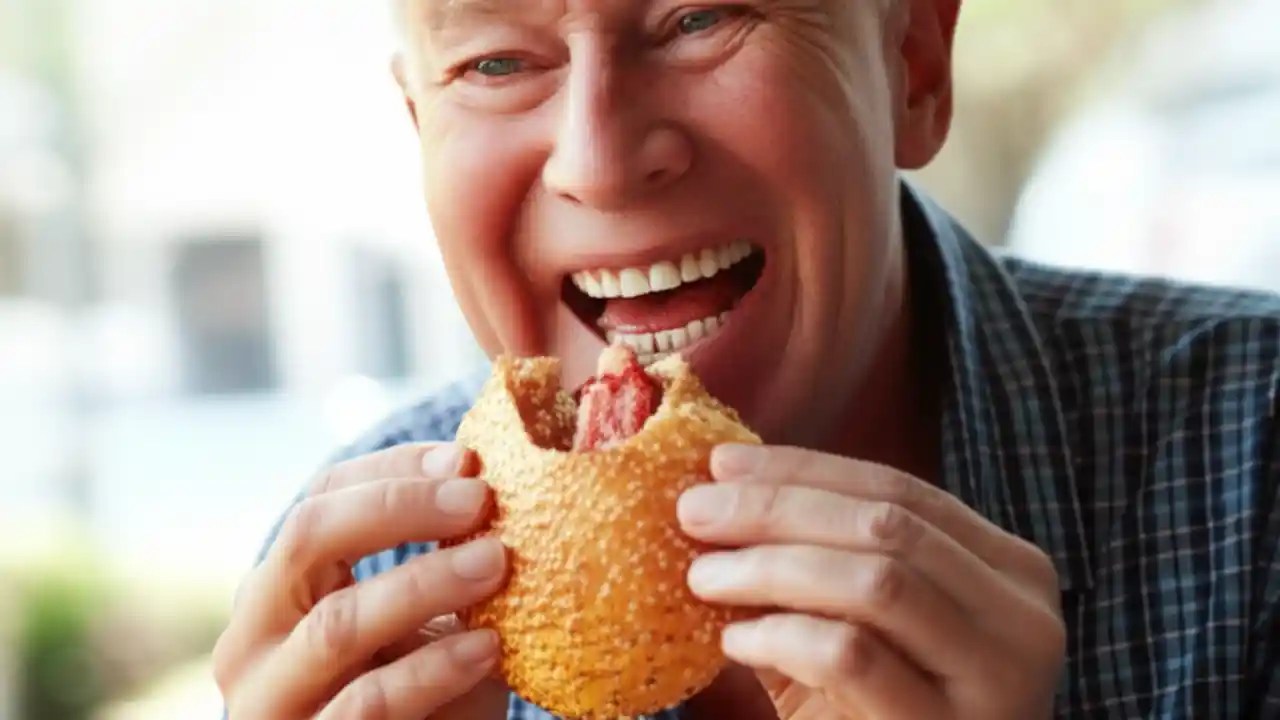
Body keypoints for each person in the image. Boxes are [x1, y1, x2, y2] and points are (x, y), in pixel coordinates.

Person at [212, 1, 1280, 718]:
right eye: (495, 62)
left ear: (912, 63)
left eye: (702, 17)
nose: (599, 162)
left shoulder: (1257, 457)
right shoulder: (358, 593)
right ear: (419, 128)